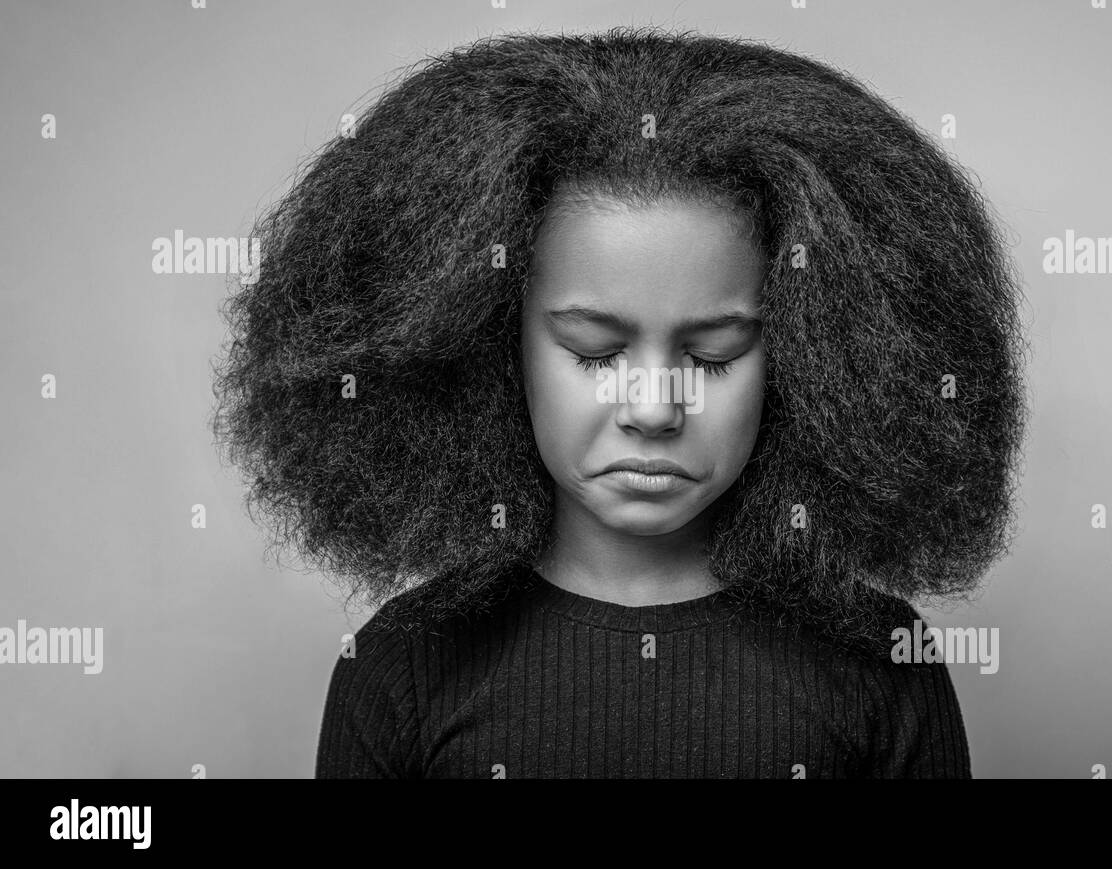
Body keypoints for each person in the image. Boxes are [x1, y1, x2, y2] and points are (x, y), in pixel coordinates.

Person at [211, 26, 1029, 778]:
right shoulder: (404, 666)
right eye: (596, 351)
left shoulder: (879, 662)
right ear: (492, 343)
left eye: (712, 356)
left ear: (815, 356)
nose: (653, 407)